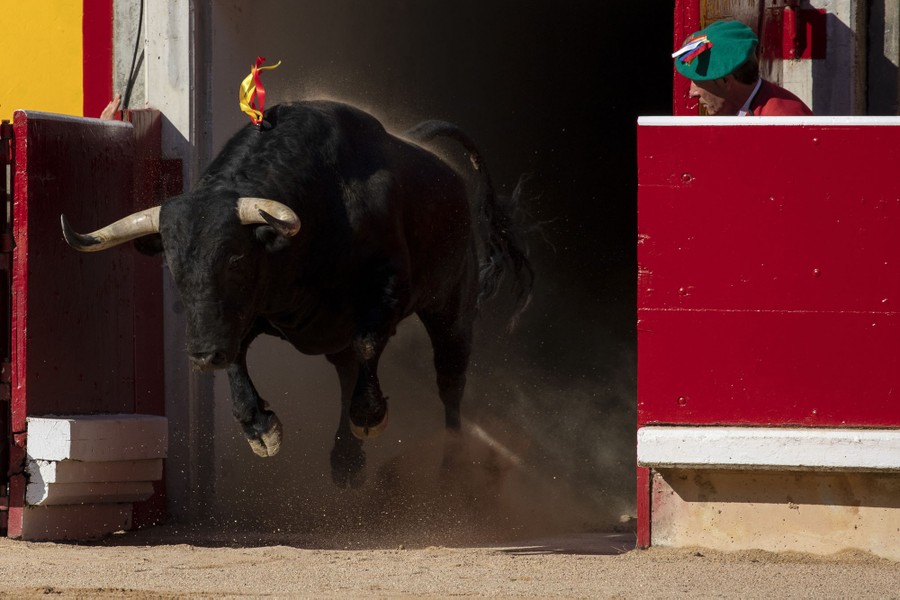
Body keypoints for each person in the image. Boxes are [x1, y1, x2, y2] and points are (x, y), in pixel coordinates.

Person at [673, 19, 813, 116]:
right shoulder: (749, 107)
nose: (692, 92)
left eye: (697, 82)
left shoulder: (779, 121)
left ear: (726, 81)